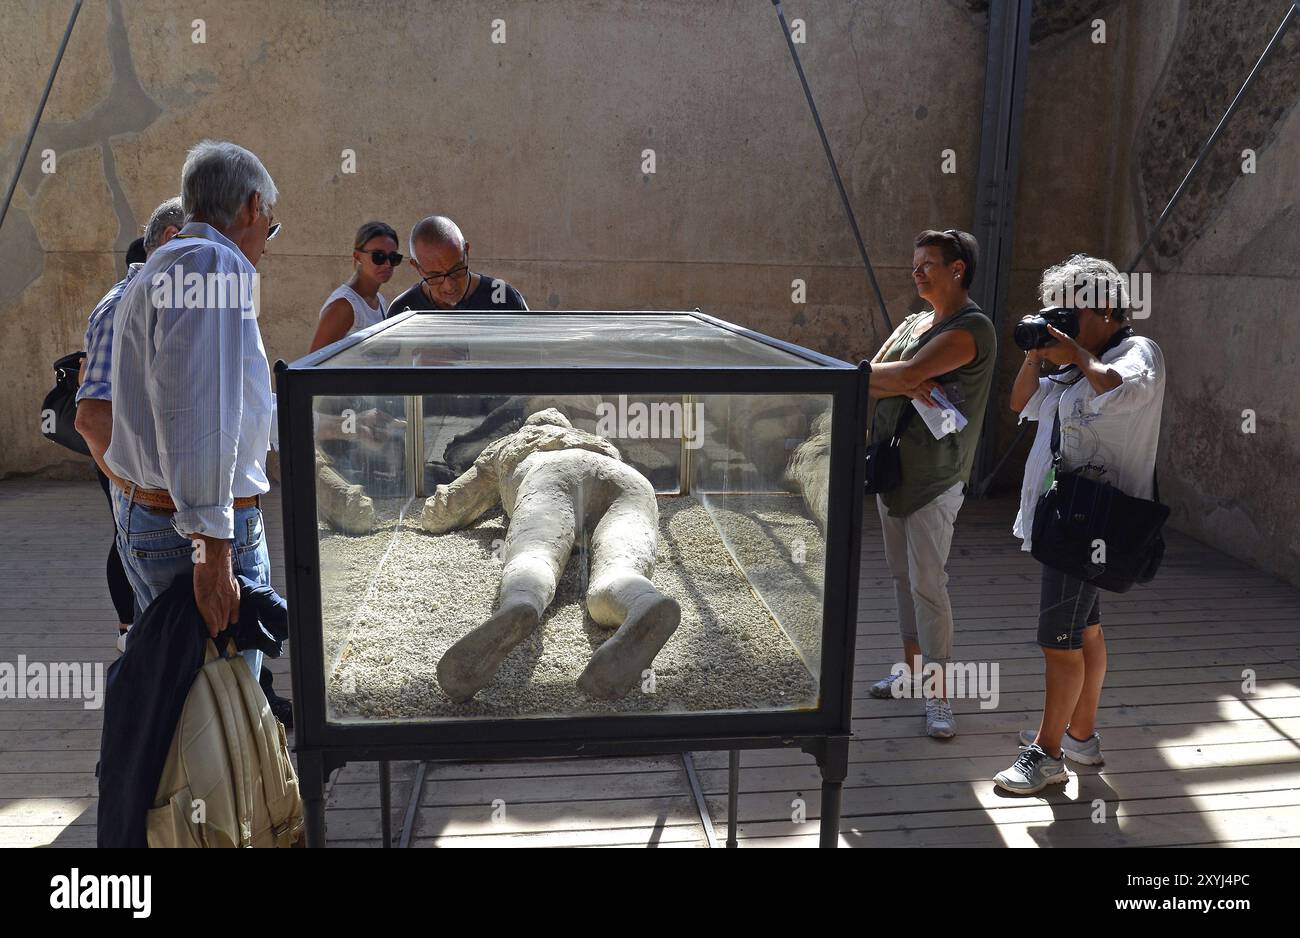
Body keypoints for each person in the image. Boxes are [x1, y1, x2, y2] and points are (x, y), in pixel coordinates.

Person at [104, 139, 290, 722]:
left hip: (154, 514)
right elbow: (196, 414)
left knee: (182, 706)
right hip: (192, 532)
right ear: (254, 206)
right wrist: (213, 546)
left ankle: (185, 813)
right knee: (218, 715)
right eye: (271, 226)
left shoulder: (166, 262)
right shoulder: (214, 264)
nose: (266, 243)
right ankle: (210, 816)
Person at [994, 255, 1166, 794]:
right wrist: (1037, 356)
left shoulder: (1138, 353)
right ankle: (1081, 738)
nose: (1062, 319)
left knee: (1058, 638)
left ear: (1108, 309)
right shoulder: (1072, 363)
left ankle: (1045, 755)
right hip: (1064, 517)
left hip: (1093, 523)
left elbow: (1121, 388)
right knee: (1086, 627)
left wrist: (1075, 353)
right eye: (1056, 311)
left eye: (1070, 309)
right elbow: (1019, 403)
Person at [424, 409, 680, 703]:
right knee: (620, 569)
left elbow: (450, 508)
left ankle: (523, 602)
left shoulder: (509, 444)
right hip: (630, 482)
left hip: (551, 473)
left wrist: (432, 511)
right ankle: (642, 603)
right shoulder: (598, 442)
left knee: (535, 558)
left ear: (529, 426)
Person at [864, 229, 997, 739]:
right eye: (914, 264)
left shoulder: (972, 328)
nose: (916, 273)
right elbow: (872, 373)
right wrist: (897, 377)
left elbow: (895, 375)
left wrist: (900, 376)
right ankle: (913, 673)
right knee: (902, 579)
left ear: (958, 269)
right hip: (893, 468)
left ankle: (939, 697)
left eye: (927, 265)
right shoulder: (918, 320)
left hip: (935, 477)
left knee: (927, 583)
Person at [75, 197, 185, 651]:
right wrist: (140, 494)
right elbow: (92, 418)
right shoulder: (124, 306)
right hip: (150, 496)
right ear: (172, 242)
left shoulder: (165, 304)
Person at [386, 215, 528, 316]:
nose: (449, 286)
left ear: (466, 252)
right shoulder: (403, 311)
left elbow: (533, 354)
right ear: (416, 267)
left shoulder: (503, 297)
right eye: (435, 276)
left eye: (456, 270)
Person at [308, 220, 399, 352]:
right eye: (378, 256)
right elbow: (313, 364)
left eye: (393, 257)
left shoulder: (379, 300)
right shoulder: (344, 305)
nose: (387, 264)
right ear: (357, 256)